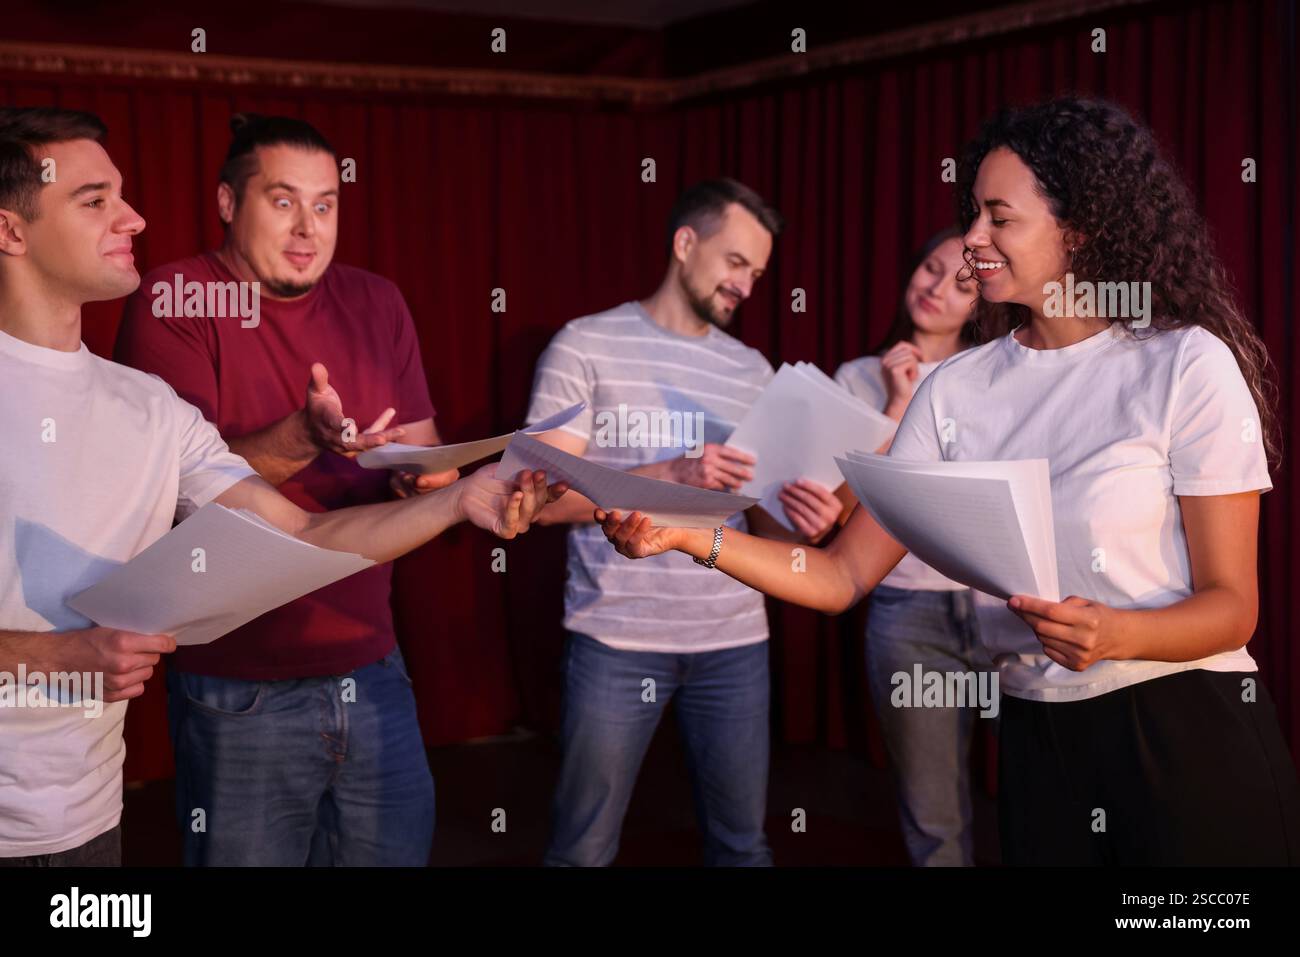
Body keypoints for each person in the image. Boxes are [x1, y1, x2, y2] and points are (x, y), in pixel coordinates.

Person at [595, 97, 1300, 865]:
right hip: (1039, 739)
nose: (972, 239)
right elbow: (838, 574)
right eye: (972, 214)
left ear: (1082, 226)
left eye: (1000, 217)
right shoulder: (955, 388)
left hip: (1181, 729)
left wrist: (1118, 633)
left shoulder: (1184, 363)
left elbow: (1233, 609)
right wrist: (688, 534)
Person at [0, 106, 560, 867]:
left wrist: (457, 496)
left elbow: (297, 535)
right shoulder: (175, 308)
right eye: (94, 200)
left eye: (121, 194)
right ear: (11, 232)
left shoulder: (147, 407)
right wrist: (63, 658)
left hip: (87, 822)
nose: (133, 215)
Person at [114, 112, 465, 867]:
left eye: (326, 203)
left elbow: (426, 452)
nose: (309, 226)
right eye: (282, 201)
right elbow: (174, 493)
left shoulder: (378, 301)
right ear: (226, 203)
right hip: (239, 683)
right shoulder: (175, 299)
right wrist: (301, 436)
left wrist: (422, 476)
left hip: (373, 665)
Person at [526, 178, 843, 866]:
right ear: (684, 243)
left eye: (758, 274)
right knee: (582, 848)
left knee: (742, 845)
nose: (746, 286)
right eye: (735, 263)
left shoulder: (754, 369)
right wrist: (673, 474)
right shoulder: (585, 344)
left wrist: (806, 526)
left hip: (734, 642)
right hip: (616, 639)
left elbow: (768, 525)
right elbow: (538, 496)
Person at [833, 226, 990, 866]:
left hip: (1006, 607)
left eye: (963, 283)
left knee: (1047, 793)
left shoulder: (997, 371)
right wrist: (898, 405)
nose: (935, 288)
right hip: (909, 612)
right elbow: (839, 512)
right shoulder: (856, 377)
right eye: (930, 268)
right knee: (934, 813)